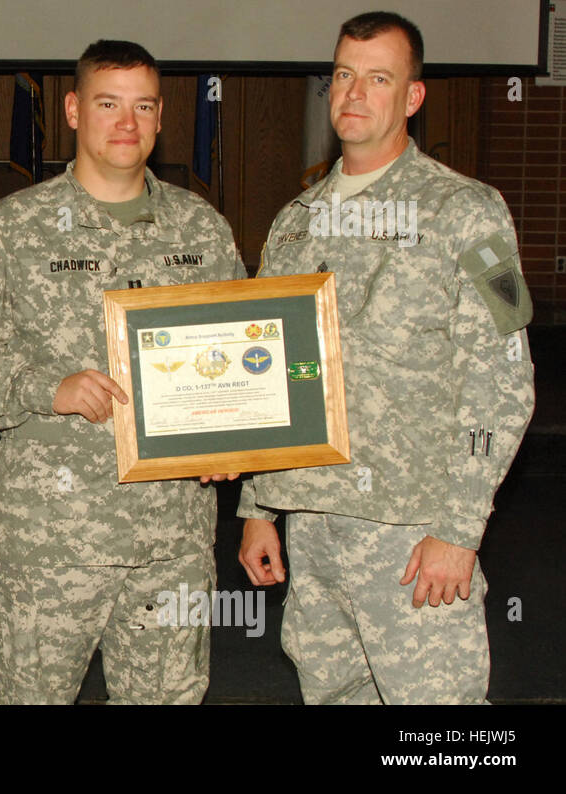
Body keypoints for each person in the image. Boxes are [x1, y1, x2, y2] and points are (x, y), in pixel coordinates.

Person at [0, 40, 244, 704]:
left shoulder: (203, 231)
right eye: (108, 104)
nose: (127, 123)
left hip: (171, 543)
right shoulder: (11, 229)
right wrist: (47, 389)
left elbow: (243, 354)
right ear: (73, 109)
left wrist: (233, 438)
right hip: (50, 546)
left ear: (160, 116)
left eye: (143, 106)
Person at [237, 12, 535, 704]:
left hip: (410, 536)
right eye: (343, 75)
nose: (355, 93)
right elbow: (268, 372)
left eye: (378, 78)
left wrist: (458, 531)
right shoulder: (296, 221)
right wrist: (259, 505)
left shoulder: (465, 213)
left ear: (412, 98)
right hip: (313, 530)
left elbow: (503, 383)